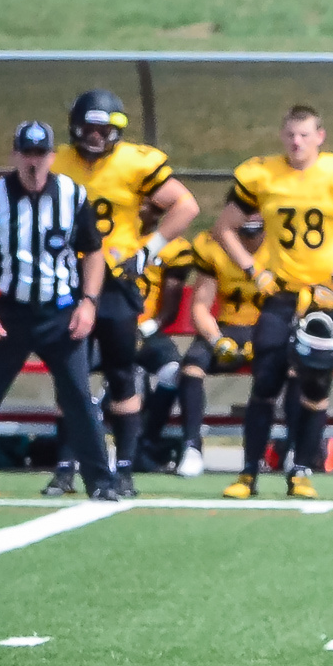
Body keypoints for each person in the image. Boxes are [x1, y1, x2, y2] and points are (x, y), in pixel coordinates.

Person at [0, 122, 116, 501]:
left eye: (40, 153)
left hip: (60, 312)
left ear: (52, 155)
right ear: (14, 154)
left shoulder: (72, 194)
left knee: (79, 398)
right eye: (27, 153)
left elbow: (93, 252)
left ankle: (101, 482)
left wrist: (89, 303)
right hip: (7, 312)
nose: (33, 162)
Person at [213, 104, 333, 500]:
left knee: (316, 380)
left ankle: (301, 469)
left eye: (304, 135)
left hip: (327, 296)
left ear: (320, 136)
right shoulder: (263, 175)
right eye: (290, 135)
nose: (296, 142)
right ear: (282, 136)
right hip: (280, 291)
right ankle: (249, 472)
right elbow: (224, 227)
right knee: (265, 378)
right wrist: (254, 271)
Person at [50, 89, 200, 498]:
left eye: (105, 129)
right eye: (90, 127)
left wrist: (147, 250)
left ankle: (125, 468)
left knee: (121, 374)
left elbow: (185, 206)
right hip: (66, 278)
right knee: (70, 377)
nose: (96, 136)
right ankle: (65, 467)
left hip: (116, 279)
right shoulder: (57, 160)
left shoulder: (135, 162)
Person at [149, 215, 267, 477]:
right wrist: (217, 339)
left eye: (256, 233)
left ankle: (288, 449)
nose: (250, 241)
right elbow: (200, 306)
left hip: (268, 327)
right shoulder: (214, 247)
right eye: (244, 233)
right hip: (227, 327)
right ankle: (192, 447)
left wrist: (265, 340)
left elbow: (291, 303)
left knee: (290, 368)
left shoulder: (281, 249)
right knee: (192, 362)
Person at [130, 203, 199, 472]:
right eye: (142, 202)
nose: (146, 210)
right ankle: (87, 447)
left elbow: (168, 311)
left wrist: (145, 329)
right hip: (106, 326)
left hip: (146, 329)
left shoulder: (173, 248)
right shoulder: (109, 239)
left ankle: (146, 441)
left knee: (172, 371)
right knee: (125, 374)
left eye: (154, 205)